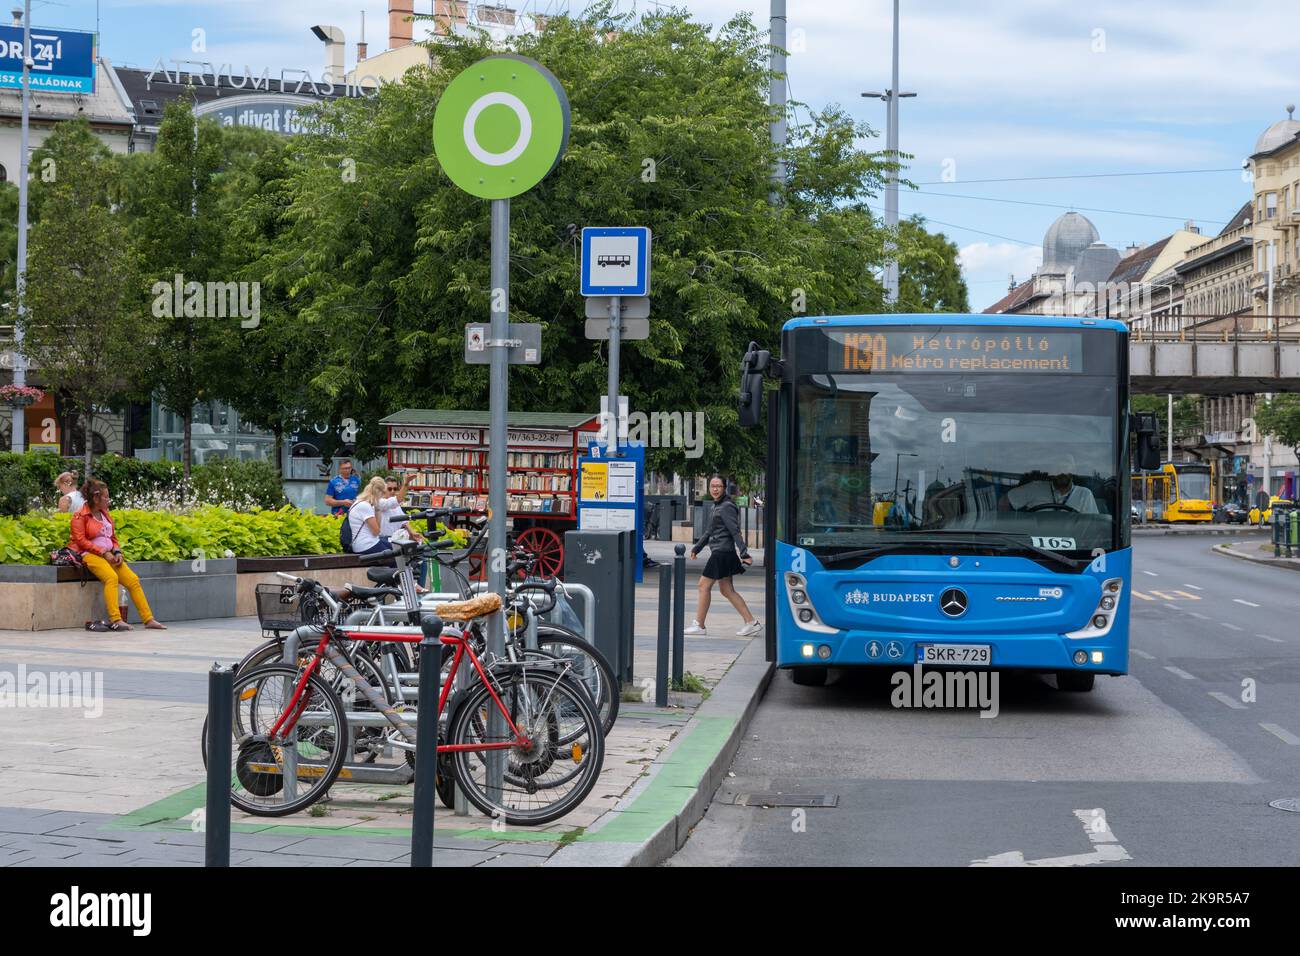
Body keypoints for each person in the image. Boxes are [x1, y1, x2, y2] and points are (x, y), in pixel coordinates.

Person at [70, 479, 167, 632]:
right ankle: (116, 619)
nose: (108, 500)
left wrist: (116, 552)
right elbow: (81, 541)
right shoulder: (79, 516)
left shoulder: (105, 515)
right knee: (111, 578)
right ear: (96, 498)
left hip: (109, 555)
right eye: (106, 497)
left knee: (133, 580)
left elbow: (112, 538)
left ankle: (148, 619)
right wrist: (103, 552)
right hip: (89, 555)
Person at [685, 476, 761, 637]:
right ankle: (751, 622)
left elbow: (735, 531)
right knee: (727, 590)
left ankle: (699, 624)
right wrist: (697, 548)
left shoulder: (726, 506)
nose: (715, 489)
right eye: (712, 486)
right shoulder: (717, 506)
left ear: (724, 488)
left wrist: (744, 552)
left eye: (718, 486)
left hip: (722, 552)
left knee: (703, 586)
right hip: (722, 552)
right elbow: (709, 530)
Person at [1001, 452, 1099, 513]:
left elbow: (1093, 525)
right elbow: (1004, 501)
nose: (1061, 472)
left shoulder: (1085, 495)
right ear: (1051, 471)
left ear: (1074, 471)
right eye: (1058, 468)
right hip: (1033, 544)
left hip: (1076, 545)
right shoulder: (1035, 488)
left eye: (1065, 468)